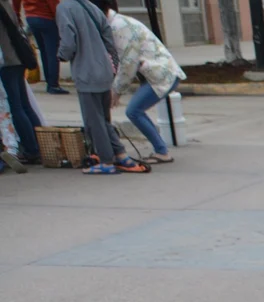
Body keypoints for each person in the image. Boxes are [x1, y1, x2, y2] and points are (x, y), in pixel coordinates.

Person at [56, 0, 146, 173]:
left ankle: (106, 161)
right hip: (104, 70)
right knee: (103, 119)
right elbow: (108, 37)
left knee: (93, 120)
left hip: (86, 71)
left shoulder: (65, 8)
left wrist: (61, 56)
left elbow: (68, 41)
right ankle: (120, 155)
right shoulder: (91, 6)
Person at [101, 0, 180, 163]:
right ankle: (161, 149)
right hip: (158, 72)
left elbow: (129, 62)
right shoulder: (119, 23)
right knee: (136, 110)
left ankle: (162, 151)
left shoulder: (118, 27)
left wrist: (117, 90)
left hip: (161, 74)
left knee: (134, 111)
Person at [0, 0, 42, 164]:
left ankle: (31, 149)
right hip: (17, 57)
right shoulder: (6, 3)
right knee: (25, 105)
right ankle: (39, 146)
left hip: (7, 60)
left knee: (15, 106)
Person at [19, 0, 64, 94]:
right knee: (52, 52)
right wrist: (59, 18)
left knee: (44, 51)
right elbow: (53, 3)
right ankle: (53, 85)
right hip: (47, 17)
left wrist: (16, 14)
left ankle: (49, 81)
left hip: (30, 17)